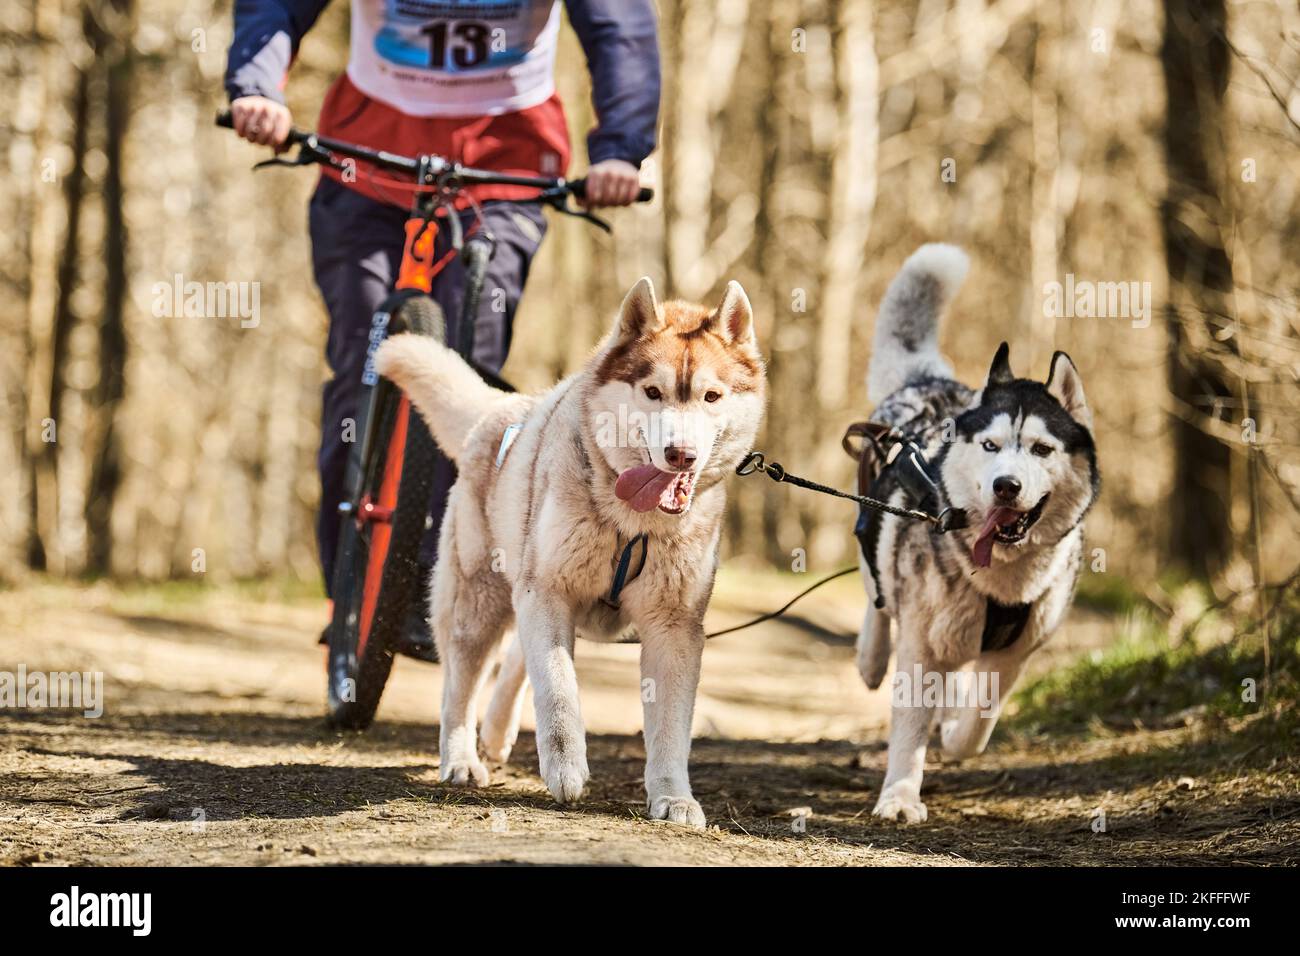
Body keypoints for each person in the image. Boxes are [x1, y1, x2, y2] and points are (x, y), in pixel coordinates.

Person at [224, 1, 661, 657]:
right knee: (364, 360)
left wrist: (621, 150)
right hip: (364, 162)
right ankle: (353, 588)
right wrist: (258, 87)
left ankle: (436, 583)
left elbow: (618, 25)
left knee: (469, 369)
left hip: (505, 168)